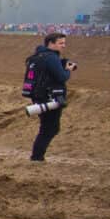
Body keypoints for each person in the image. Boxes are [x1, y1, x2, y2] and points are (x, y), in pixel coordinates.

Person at [25, 31, 76, 162]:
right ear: (51, 43)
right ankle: (37, 157)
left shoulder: (37, 56)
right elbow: (62, 77)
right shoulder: (52, 58)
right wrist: (68, 70)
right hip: (51, 97)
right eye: (60, 43)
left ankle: (37, 156)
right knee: (50, 128)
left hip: (38, 96)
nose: (63, 46)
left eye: (64, 43)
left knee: (47, 127)